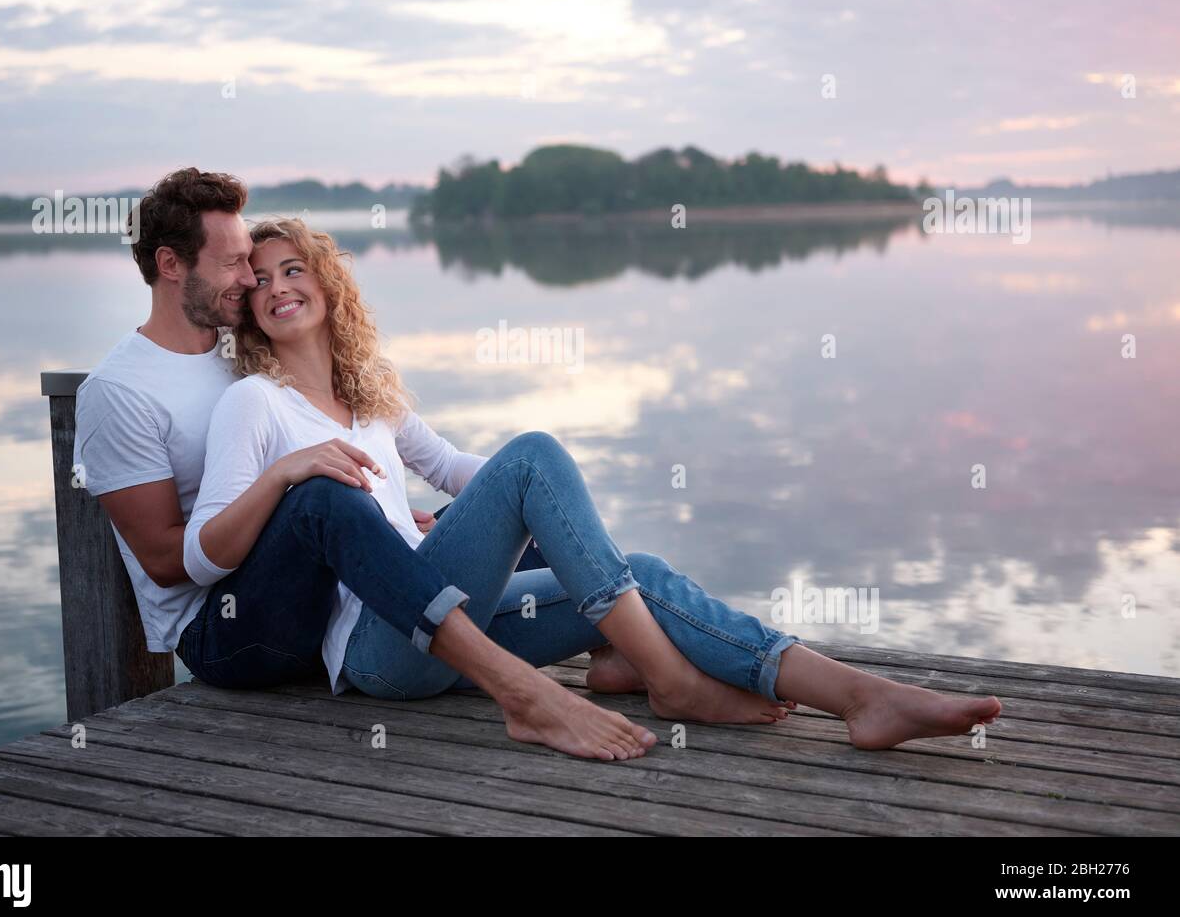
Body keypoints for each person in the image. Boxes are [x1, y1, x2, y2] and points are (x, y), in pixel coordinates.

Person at [187, 216, 1004, 752]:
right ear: (250, 308)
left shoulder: (373, 402)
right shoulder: (256, 403)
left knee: (636, 570)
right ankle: (669, 678)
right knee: (535, 455)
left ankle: (861, 696)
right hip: (380, 648)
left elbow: (463, 474)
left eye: (293, 268)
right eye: (259, 280)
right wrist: (290, 468)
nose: (278, 286)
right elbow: (202, 554)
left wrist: (552, 522)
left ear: (328, 284)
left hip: (456, 625)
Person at [75, 167, 657, 762]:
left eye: (251, 261)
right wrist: (314, 494)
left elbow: (404, 456)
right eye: (233, 265)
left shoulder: (237, 351)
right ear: (171, 265)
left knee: (505, 520)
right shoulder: (120, 391)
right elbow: (169, 563)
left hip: (329, 596)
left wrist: (391, 522)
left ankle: (621, 647)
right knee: (324, 498)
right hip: (229, 631)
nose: (250, 278)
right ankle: (520, 689)